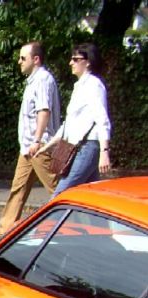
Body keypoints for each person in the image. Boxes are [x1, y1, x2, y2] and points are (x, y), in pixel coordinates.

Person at [0, 41, 61, 237]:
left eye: (23, 58)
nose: (19, 61)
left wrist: (37, 140)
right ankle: (4, 232)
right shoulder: (34, 80)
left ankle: (86, 223)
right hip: (29, 147)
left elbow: (43, 110)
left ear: (36, 59)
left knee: (58, 188)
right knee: (18, 188)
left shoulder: (42, 80)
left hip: (40, 147)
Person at [39, 42, 112, 197]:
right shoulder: (79, 86)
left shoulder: (94, 85)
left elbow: (102, 119)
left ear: (88, 62)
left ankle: (47, 221)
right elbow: (69, 123)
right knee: (88, 198)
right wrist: (49, 145)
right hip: (76, 147)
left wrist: (104, 152)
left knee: (61, 194)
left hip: (87, 147)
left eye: (75, 59)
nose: (70, 62)